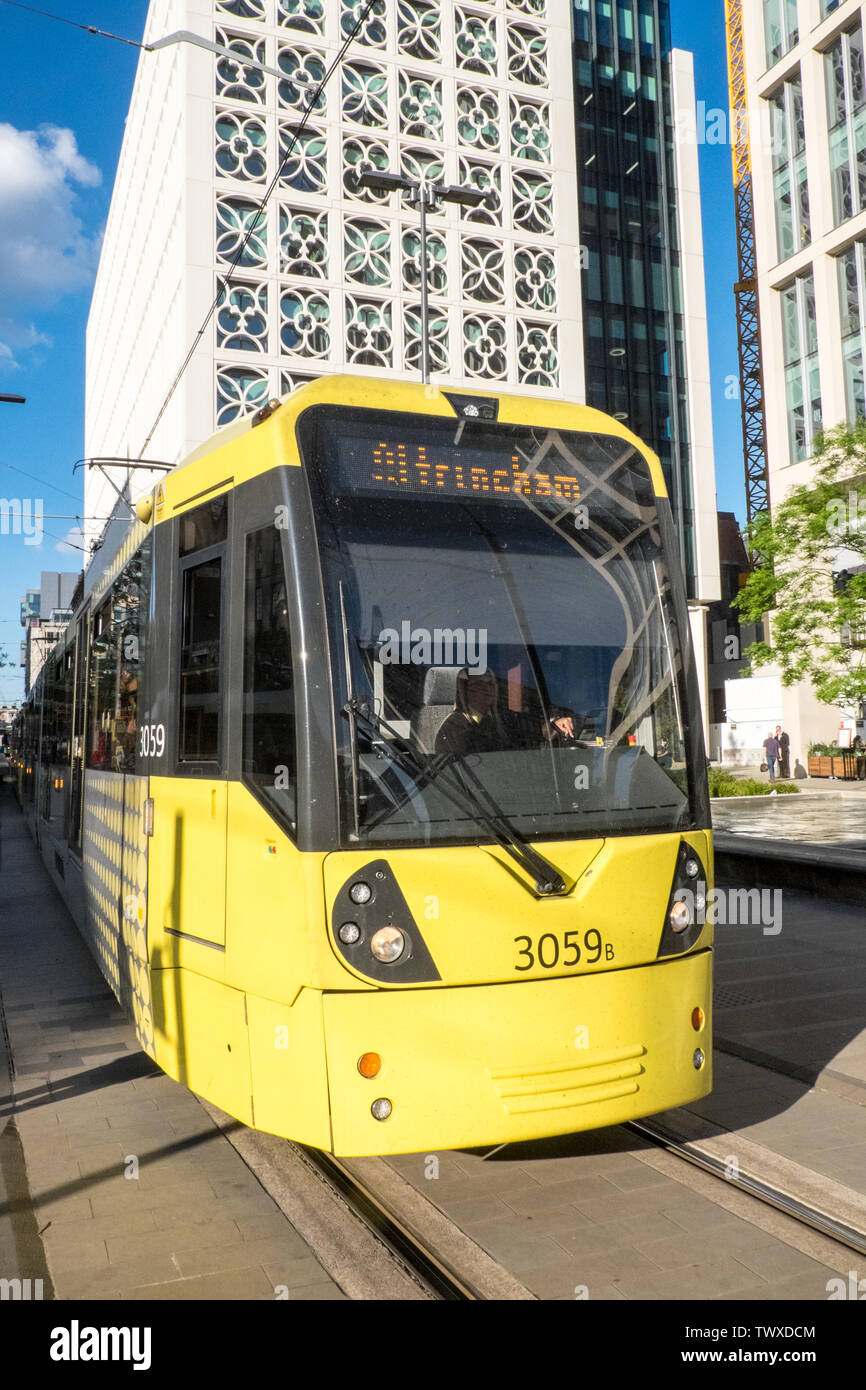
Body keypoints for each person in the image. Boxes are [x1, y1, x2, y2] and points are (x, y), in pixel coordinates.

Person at [435, 670, 504, 758]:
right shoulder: (454, 725)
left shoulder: (504, 720)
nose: (487, 689)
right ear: (464, 691)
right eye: (479, 684)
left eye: (490, 684)